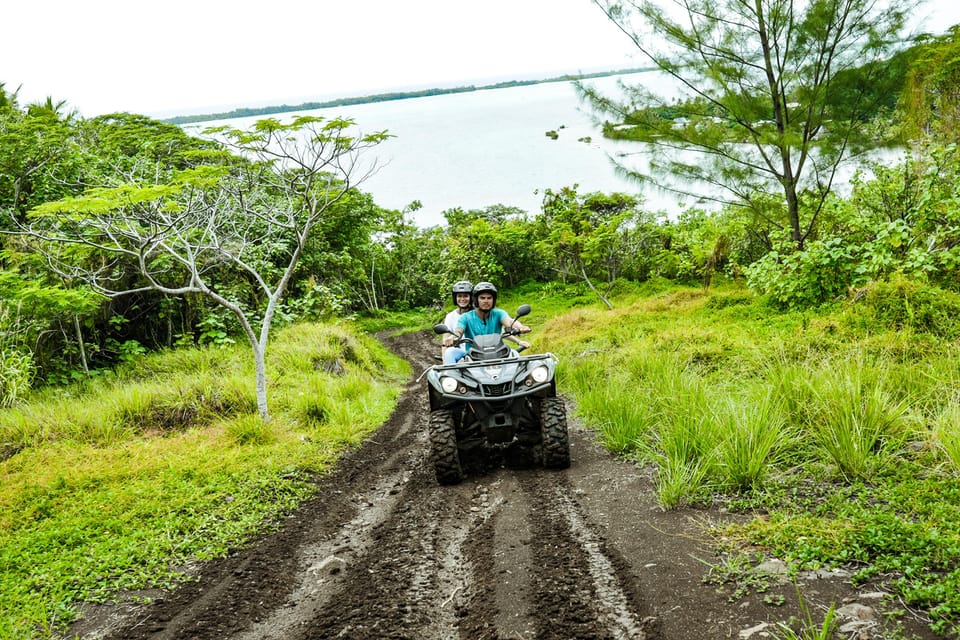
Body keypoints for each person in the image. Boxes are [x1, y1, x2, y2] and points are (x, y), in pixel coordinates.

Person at [444, 281, 530, 364]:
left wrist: (521, 327)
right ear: (476, 300)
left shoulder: (499, 313)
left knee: (515, 354)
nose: (486, 301)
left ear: (493, 300)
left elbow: (509, 321)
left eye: (489, 298)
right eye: (482, 298)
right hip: (472, 356)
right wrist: (453, 337)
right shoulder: (465, 317)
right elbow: (459, 331)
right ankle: (447, 376)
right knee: (450, 352)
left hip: (498, 353)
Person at [441, 280, 474, 362]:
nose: (462, 299)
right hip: (461, 353)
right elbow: (445, 341)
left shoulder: (477, 314)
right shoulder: (450, 317)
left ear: (471, 297)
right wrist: (444, 360)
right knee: (450, 352)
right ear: (455, 298)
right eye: (459, 296)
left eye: (465, 296)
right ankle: (450, 373)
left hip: (479, 350)